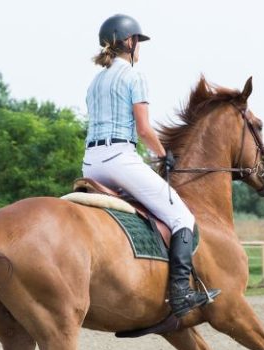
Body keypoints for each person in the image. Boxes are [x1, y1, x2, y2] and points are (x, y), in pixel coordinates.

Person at [82, 14, 219, 318]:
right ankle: (181, 292)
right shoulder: (134, 76)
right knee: (182, 216)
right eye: (138, 42)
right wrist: (163, 155)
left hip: (90, 165)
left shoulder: (95, 81)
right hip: (120, 159)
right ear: (129, 42)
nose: (139, 48)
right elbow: (144, 129)